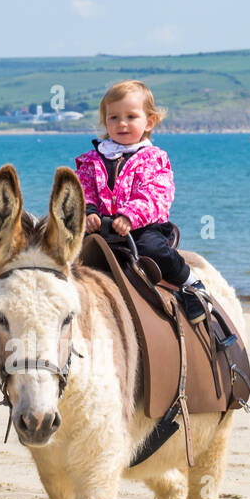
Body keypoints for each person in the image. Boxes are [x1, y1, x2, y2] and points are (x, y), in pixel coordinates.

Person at [74, 80, 209, 323]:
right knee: (66, 251)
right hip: (100, 227)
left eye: (130, 116)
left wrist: (129, 216)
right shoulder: (92, 160)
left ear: (149, 121)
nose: (121, 123)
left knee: (153, 249)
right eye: (113, 117)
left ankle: (190, 284)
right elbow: (83, 188)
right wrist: (88, 211)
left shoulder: (154, 159)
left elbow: (156, 194)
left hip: (140, 228)